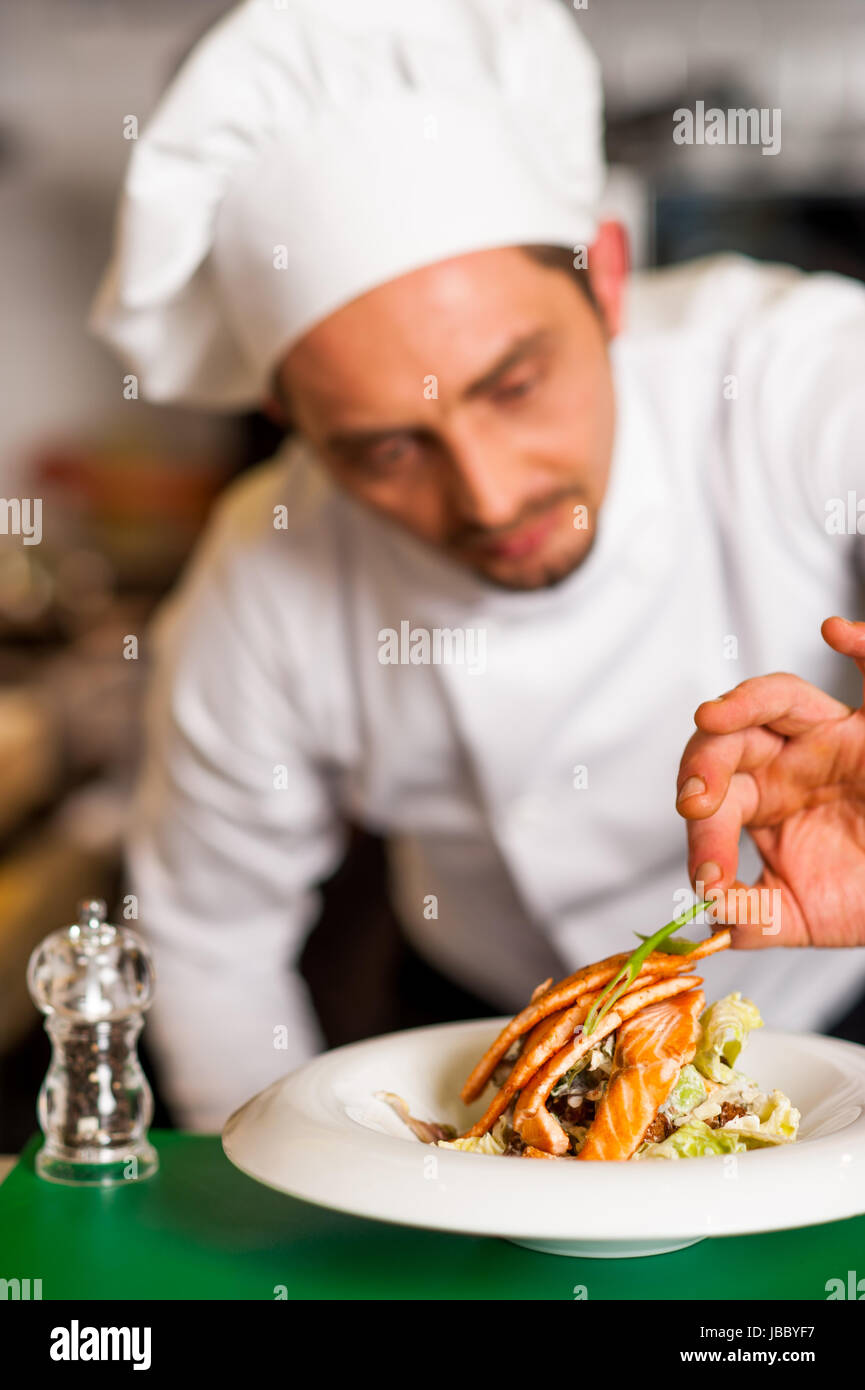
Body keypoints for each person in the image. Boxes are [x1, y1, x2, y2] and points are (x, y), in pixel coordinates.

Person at [90, 0, 865, 1132]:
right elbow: (211, 938)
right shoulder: (260, 579)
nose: (491, 496)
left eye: (514, 384)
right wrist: (309, 1201)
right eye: (385, 447)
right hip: (485, 1036)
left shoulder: (794, 373)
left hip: (836, 1003)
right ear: (288, 416)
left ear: (605, 273)